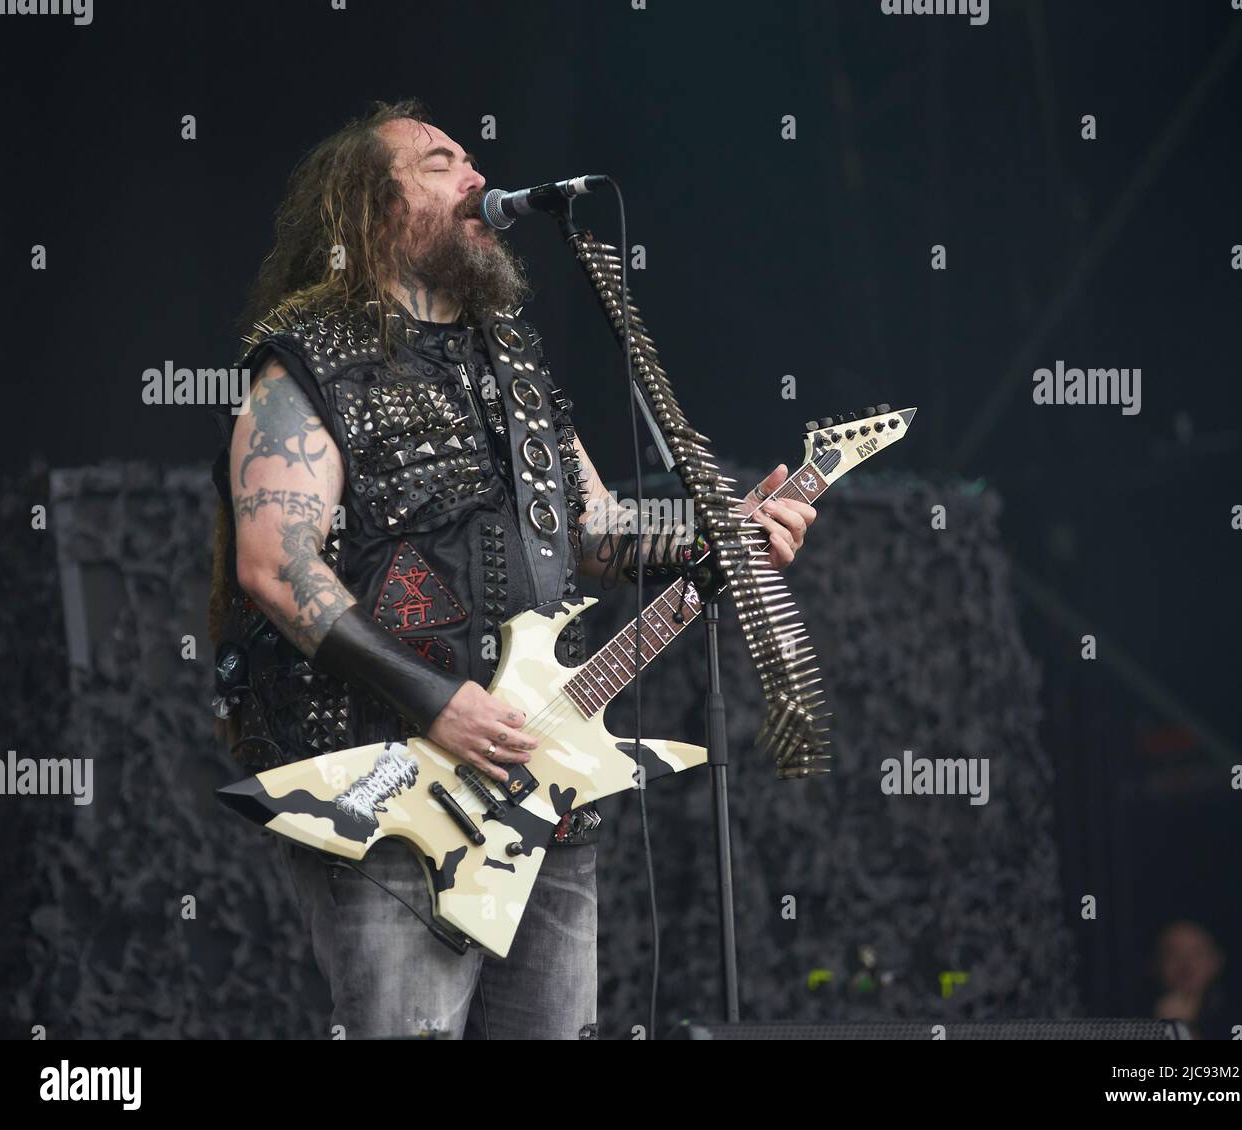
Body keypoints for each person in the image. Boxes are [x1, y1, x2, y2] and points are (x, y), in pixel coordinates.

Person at [206, 100, 815, 1040]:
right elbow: (276, 567)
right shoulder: (308, 365)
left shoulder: (518, 365)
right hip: (397, 792)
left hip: (544, 790)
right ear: (370, 209)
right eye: (441, 161)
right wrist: (435, 699)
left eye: (474, 158)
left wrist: (722, 532)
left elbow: (599, 533)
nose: (476, 176)